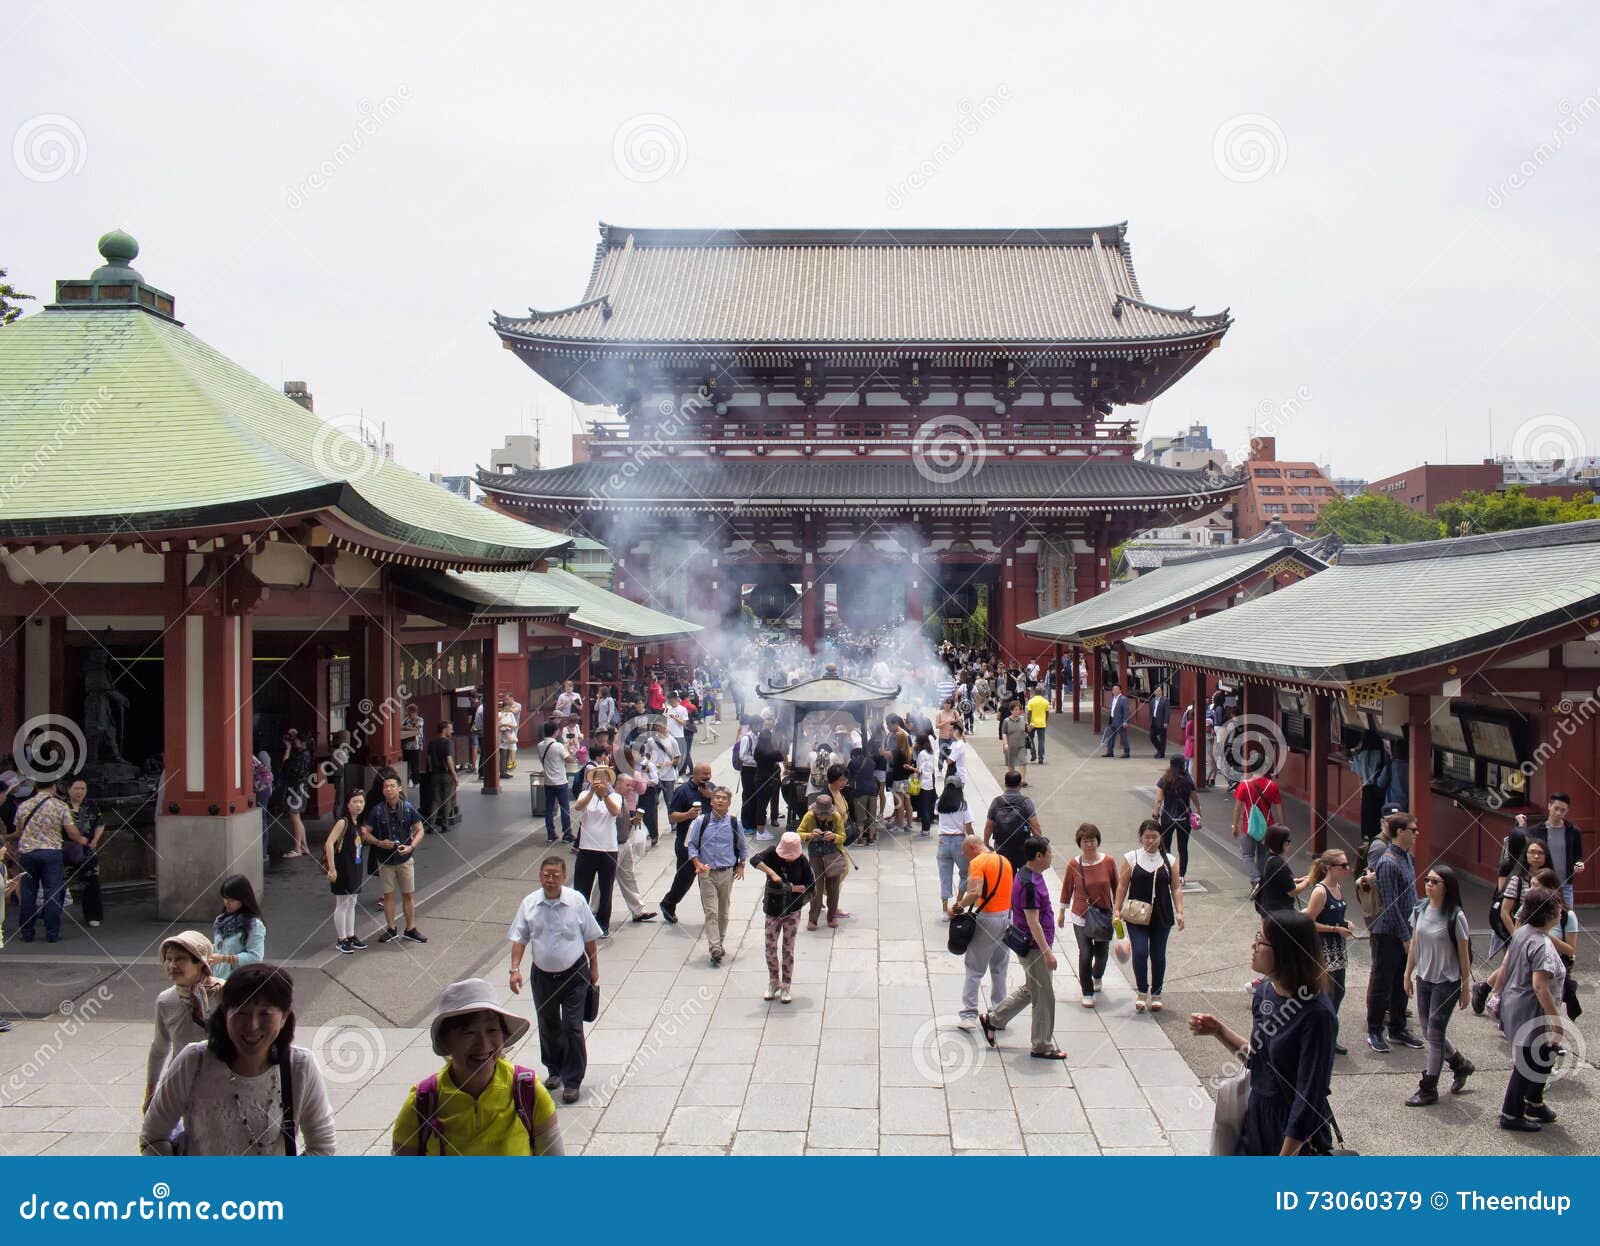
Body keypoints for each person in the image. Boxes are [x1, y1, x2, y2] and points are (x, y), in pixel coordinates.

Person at [140, 964, 335, 1155]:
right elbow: (153, 1137)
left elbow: (322, 1147)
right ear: (225, 1014)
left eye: (265, 1013)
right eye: (241, 1012)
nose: (252, 1025)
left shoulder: (300, 1066)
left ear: (284, 1017)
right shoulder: (194, 1061)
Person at [1189, 912, 1336, 1156]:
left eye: (1261, 940)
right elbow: (1259, 1060)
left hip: (1292, 1132)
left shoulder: (1317, 1015)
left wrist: (1285, 1156)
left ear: (1286, 951)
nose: (1253, 945)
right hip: (1256, 1116)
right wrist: (1219, 1031)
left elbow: (1309, 1096)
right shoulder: (1265, 993)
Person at [392, 978, 564, 1155]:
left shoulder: (528, 1093)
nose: (483, 1045)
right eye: (469, 1033)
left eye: (492, 1031)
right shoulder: (422, 1103)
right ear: (445, 1039)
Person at [508, 855, 601, 1105]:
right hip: (542, 976)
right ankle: (555, 1069)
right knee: (548, 1025)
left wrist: (594, 970)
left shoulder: (576, 901)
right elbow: (519, 938)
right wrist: (514, 969)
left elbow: (590, 937)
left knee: (572, 1026)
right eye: (546, 875)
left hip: (575, 974)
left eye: (555, 875)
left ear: (563, 877)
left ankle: (573, 1081)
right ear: (540, 877)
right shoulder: (529, 904)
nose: (550, 880)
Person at [979, 836, 1066, 1060]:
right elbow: (1032, 921)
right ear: (1039, 856)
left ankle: (994, 1018)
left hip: (1033, 944)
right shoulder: (1029, 883)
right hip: (1035, 947)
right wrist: (1047, 953)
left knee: (1031, 989)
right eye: (1049, 853)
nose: (1051, 856)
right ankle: (1042, 1045)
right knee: (1044, 996)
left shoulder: (1028, 875)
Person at [1493, 887, 1567, 1132]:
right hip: (1531, 1013)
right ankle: (1511, 1114)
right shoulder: (1541, 944)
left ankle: (1534, 1102)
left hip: (1514, 1005)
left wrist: (1497, 993)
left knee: (1545, 1055)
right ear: (1548, 913)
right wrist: (1556, 1021)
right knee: (1526, 1063)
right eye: (1557, 907)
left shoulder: (1523, 931)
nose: (1561, 910)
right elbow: (1540, 987)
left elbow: (1506, 965)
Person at [1401, 864, 1475, 1106]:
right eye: (1427, 881)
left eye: (1435, 882)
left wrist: (1466, 988)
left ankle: (1429, 1088)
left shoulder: (1456, 915)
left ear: (1446, 886)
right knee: (1429, 1031)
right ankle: (1460, 1064)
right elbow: (1414, 943)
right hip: (1424, 978)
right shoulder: (1420, 909)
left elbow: (1464, 955)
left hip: (1448, 981)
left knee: (1433, 1034)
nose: (1429, 885)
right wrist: (1407, 973)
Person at [144, 931, 223, 1112]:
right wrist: (150, 1091)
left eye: (180, 959)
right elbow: (159, 1048)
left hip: (224, 1082)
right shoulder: (165, 1000)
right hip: (183, 1082)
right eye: (168, 958)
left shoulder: (225, 993)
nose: (172, 965)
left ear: (201, 962)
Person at [1365, 815, 1423, 1053]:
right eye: (1413, 829)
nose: (1416, 833)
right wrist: (1406, 937)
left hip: (1406, 930)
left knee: (1402, 980)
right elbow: (1391, 906)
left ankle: (1398, 1028)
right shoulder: (1389, 862)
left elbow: (1411, 896)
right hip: (1389, 934)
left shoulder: (1407, 857)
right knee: (1382, 983)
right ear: (1399, 831)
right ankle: (1375, 1031)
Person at [1115, 819, 1184, 1012]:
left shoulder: (1169, 860)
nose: (1151, 840)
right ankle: (1142, 991)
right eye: (1147, 837)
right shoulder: (1131, 858)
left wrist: (1180, 911)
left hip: (1162, 914)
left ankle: (1157, 993)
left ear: (1161, 837)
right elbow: (1122, 885)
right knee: (1140, 952)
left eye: (1155, 836)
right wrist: (1117, 909)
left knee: (1158, 954)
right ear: (1141, 838)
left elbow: (1176, 887)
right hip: (1136, 915)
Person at [6, 777, 86, 943]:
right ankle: (52, 933)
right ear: (54, 787)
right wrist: (81, 840)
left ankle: (27, 933)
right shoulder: (60, 805)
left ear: (36, 786)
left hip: (28, 853)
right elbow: (71, 832)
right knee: (52, 893)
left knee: (28, 893)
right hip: (52, 853)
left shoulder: (24, 805)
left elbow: (19, 832)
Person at [360, 772, 428, 945]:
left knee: (408, 895)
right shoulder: (377, 810)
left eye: (392, 786)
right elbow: (364, 832)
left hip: (405, 858)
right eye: (385, 787)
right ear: (382, 791)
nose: (389, 789)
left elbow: (420, 829)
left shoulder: (407, 807)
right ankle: (391, 929)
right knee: (388, 896)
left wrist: (412, 846)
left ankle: (410, 928)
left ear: (399, 788)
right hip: (385, 860)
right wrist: (378, 842)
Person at [1058, 822, 1118, 1007]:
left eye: (1092, 840)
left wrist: (1118, 909)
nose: (1089, 844)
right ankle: (1087, 991)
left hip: (1103, 915)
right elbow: (1067, 888)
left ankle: (1097, 975)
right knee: (1085, 953)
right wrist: (1061, 912)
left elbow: (1117, 886)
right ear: (1079, 843)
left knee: (1101, 954)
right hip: (1081, 916)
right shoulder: (1074, 864)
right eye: (1085, 841)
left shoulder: (1108, 862)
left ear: (1097, 841)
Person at [686, 785, 748, 966]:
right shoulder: (701, 821)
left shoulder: (735, 823)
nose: (720, 800)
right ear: (711, 802)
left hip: (727, 872)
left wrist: (741, 865)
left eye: (724, 798)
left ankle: (720, 941)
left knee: (724, 911)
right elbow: (691, 845)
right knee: (711, 911)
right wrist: (696, 863)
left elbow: (743, 846)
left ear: (729, 803)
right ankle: (714, 947)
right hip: (706, 872)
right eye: (717, 798)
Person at [1302, 849, 1355, 1054]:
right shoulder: (1320, 891)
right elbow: (1310, 921)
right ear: (1330, 868)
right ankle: (1322, 1037)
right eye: (1343, 865)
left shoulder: (1338, 887)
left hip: (1337, 950)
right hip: (1323, 951)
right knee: (1327, 994)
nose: (1347, 868)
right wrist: (1334, 929)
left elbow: (1336, 915)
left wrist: (1345, 924)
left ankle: (1327, 1035)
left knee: (1338, 992)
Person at [750, 831, 814, 1003]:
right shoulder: (771, 853)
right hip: (772, 909)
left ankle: (786, 985)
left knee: (788, 949)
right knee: (770, 948)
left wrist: (791, 888)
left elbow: (810, 885)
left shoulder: (802, 861)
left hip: (792, 910)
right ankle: (773, 981)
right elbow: (754, 860)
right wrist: (771, 872)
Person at [1502, 798, 1584, 909]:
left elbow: (1578, 856)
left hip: (1564, 884)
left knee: (1566, 915)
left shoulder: (1573, 831)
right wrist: (1521, 825)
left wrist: (1579, 863)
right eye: (1556, 808)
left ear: (1567, 811)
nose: (1558, 813)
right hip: (1542, 882)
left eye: (1563, 810)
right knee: (1541, 914)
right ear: (1549, 806)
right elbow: (1525, 843)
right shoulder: (1536, 830)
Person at [659, 763, 714, 924]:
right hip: (686, 842)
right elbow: (672, 816)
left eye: (709, 774)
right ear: (695, 774)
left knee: (708, 879)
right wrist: (687, 814)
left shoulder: (711, 788)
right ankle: (669, 903)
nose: (708, 777)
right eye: (704, 774)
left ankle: (711, 913)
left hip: (708, 841)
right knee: (685, 877)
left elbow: (722, 808)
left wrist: (711, 797)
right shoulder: (682, 791)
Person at [571, 766, 623, 936]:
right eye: (597, 778)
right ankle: (580, 922)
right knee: (581, 889)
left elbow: (615, 811)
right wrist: (592, 792)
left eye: (604, 778)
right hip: (586, 848)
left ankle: (603, 924)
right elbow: (578, 807)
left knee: (605, 889)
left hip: (608, 849)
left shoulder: (615, 796)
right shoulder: (585, 794)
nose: (600, 781)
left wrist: (605, 794)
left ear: (609, 780)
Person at [322, 789, 369, 954]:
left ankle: (351, 935)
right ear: (348, 804)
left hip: (355, 867)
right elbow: (329, 843)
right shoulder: (343, 822)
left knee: (352, 903)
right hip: (343, 868)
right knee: (342, 904)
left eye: (361, 802)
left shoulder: (358, 823)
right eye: (355, 801)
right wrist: (332, 868)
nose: (358, 805)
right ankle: (341, 939)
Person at [608, 772, 656, 924]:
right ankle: (594, 910)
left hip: (624, 842)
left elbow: (621, 821)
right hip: (614, 845)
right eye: (627, 785)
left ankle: (638, 910)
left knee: (628, 877)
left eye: (631, 785)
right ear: (617, 784)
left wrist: (631, 821)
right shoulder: (612, 800)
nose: (630, 788)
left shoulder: (623, 799)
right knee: (605, 881)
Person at [799, 794, 849, 929]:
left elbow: (843, 837)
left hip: (833, 854)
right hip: (815, 856)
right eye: (820, 814)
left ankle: (831, 916)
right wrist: (809, 835)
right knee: (816, 886)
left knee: (833, 886)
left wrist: (834, 837)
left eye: (825, 814)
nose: (822, 816)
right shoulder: (809, 817)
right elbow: (799, 833)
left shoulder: (836, 817)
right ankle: (813, 919)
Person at [62, 777, 106, 927]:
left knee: (91, 881)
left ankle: (93, 915)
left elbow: (100, 824)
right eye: (76, 788)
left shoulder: (91, 805)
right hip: (65, 849)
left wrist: (95, 839)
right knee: (58, 882)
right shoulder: (62, 806)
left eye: (83, 789)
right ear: (69, 790)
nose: (80, 792)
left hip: (87, 850)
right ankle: (51, 914)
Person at [1230, 767, 1283, 886]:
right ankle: (1262, 883)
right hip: (1267, 826)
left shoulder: (1244, 785)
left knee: (1247, 855)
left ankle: (1256, 879)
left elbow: (1237, 809)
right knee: (1263, 855)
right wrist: (1281, 825)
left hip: (1248, 826)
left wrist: (1235, 826)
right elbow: (1279, 807)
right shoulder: (1272, 785)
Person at [209, 874, 266, 981]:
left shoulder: (254, 925)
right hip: (218, 980)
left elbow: (255, 958)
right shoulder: (221, 920)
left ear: (243, 899)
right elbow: (221, 948)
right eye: (225, 898)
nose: (227, 903)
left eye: (232, 900)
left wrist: (224, 958)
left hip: (239, 983)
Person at [984, 769, 1042, 873]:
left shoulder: (997, 802)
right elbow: (1035, 825)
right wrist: (1040, 843)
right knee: (1026, 877)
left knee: (1007, 877)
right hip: (1022, 846)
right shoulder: (1026, 802)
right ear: (1020, 784)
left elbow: (989, 825)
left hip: (1002, 846)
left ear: (1005, 783)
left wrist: (986, 843)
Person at [1153, 756, 1199, 879]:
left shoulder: (1165, 779)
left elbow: (1158, 800)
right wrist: (1198, 811)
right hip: (1184, 819)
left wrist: (1155, 815)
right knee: (1183, 847)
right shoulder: (1188, 779)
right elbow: (1194, 797)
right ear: (1183, 765)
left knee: (1166, 846)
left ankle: (1168, 871)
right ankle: (1181, 875)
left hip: (1167, 819)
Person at [935, 780, 974, 917]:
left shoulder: (939, 803)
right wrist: (973, 839)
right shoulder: (963, 805)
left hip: (943, 841)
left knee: (945, 876)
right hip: (959, 841)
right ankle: (957, 905)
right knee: (965, 873)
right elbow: (968, 826)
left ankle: (945, 910)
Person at [1349, 729, 1389, 847]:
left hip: (1366, 788)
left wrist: (1361, 792)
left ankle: (1368, 841)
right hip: (1379, 790)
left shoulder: (1360, 755)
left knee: (1367, 817)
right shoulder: (1382, 754)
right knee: (1378, 816)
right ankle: (1380, 840)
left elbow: (1359, 776)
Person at [279, 729, 313, 857]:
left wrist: (287, 750)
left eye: (296, 739)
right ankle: (304, 847)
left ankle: (297, 849)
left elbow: (286, 766)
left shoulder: (301, 755)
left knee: (294, 817)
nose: (294, 741)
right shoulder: (305, 753)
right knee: (297, 818)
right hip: (300, 788)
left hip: (296, 789)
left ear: (301, 742)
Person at [1254, 825, 1297, 916]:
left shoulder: (1268, 858)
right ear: (1283, 843)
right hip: (1279, 913)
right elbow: (1292, 892)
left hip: (1268, 910)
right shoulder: (1279, 864)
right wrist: (1308, 881)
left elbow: (1276, 881)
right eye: (1288, 841)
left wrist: (1298, 880)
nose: (1289, 844)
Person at [424, 720, 459, 827]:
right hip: (446, 774)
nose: (452, 731)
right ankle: (445, 824)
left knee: (435, 800)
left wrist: (430, 770)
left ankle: (431, 824)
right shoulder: (447, 742)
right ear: (444, 730)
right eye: (450, 729)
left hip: (435, 774)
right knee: (446, 800)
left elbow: (428, 758)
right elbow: (449, 759)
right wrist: (454, 775)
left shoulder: (432, 742)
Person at [846, 746, 879, 844]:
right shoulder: (871, 762)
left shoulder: (853, 762)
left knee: (860, 817)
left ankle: (860, 839)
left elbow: (847, 775)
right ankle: (871, 838)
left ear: (853, 755)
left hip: (860, 791)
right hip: (873, 790)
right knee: (871, 817)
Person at [913, 729, 938, 837]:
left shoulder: (922, 754)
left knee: (923, 807)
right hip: (930, 782)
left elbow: (919, 770)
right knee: (927, 806)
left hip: (923, 783)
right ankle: (926, 828)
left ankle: (925, 829)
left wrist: (910, 768)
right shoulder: (930, 752)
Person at [1000, 700, 1031, 786]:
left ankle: (1022, 780)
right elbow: (1004, 733)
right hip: (1010, 746)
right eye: (1016, 710)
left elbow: (1026, 730)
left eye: (1019, 710)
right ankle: (1013, 781)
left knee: (1023, 762)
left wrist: (1030, 728)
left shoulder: (1022, 719)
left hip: (1021, 745)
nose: (1018, 712)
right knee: (1011, 763)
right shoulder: (1006, 721)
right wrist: (1005, 743)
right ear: (1011, 711)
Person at [1101, 684, 1131, 759]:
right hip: (1112, 720)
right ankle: (1109, 752)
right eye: (1113, 689)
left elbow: (1126, 711)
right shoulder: (1112, 699)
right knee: (1110, 736)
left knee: (1123, 736)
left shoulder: (1123, 699)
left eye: (1116, 689)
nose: (1114, 690)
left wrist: (1125, 721)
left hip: (1120, 721)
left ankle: (1126, 752)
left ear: (1120, 690)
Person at [1025, 685, 1049, 765]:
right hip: (1042, 723)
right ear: (1041, 692)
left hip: (1032, 723)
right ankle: (1041, 758)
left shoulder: (1031, 701)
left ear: (1034, 692)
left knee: (1030, 738)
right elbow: (1047, 713)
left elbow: (1029, 714)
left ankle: (1033, 753)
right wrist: (1045, 721)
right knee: (1041, 741)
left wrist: (1028, 723)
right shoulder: (1045, 702)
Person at [1148, 685, 1171, 758]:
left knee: (1162, 738)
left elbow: (1167, 712)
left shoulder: (1165, 700)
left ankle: (1161, 753)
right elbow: (1151, 712)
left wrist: (1166, 722)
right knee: (1152, 736)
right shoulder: (1152, 701)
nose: (1159, 692)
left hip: (1162, 721)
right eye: (1157, 691)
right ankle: (1159, 749)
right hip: (1154, 720)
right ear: (1154, 692)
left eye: (1160, 691)